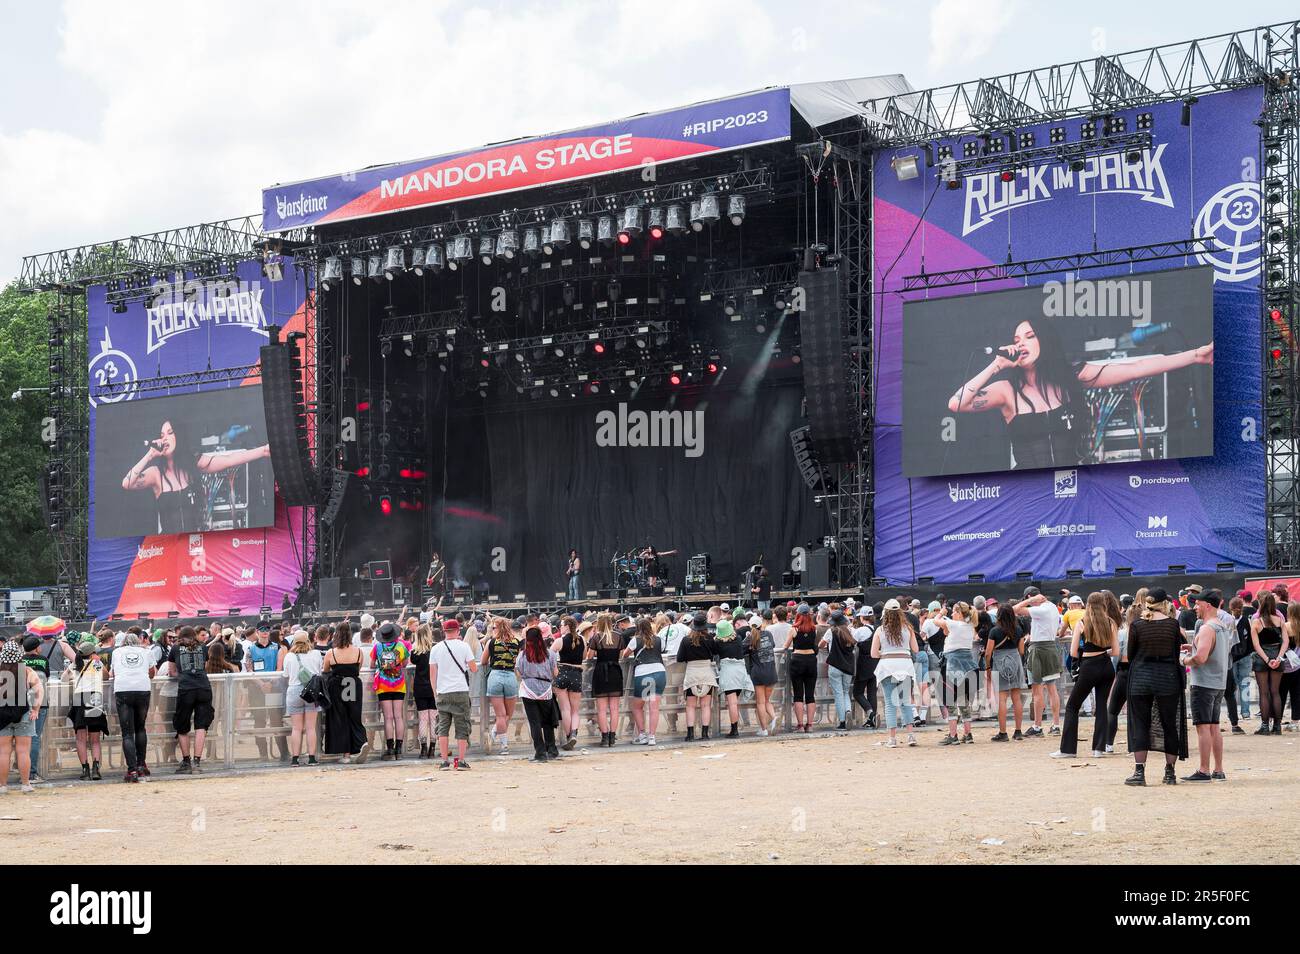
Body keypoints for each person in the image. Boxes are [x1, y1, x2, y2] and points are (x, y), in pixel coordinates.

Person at [947, 316, 1213, 469]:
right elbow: (956, 404)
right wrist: (997, 365)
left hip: (1073, 488)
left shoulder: (1072, 377)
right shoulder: (1007, 391)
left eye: (1029, 336)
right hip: (1027, 494)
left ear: (1045, 340)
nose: (1021, 344)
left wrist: (1195, 355)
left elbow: (1137, 368)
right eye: (1017, 340)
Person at [120, 418, 271, 533]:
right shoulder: (155, 473)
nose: (164, 438)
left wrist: (263, 451)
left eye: (170, 433)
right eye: (162, 435)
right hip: (169, 547)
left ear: (179, 436)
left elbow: (228, 460)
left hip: (194, 544)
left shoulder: (192, 464)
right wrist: (150, 455)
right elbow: (127, 483)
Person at [1124, 589, 1188, 786]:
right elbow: (1176, 650)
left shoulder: (1137, 626)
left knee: (1140, 723)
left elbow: (1131, 654)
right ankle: (1170, 773)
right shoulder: (1172, 625)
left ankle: (1139, 771)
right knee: (1170, 723)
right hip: (1167, 677)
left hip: (1141, 677)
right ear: (1165, 603)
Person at [1052, 594, 1118, 759]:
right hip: (1106, 665)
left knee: (1073, 706)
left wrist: (1088, 653)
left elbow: (1073, 652)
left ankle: (1068, 749)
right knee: (1102, 706)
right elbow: (1116, 652)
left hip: (1089, 666)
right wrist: (1102, 652)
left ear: (1087, 605)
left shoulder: (1082, 623)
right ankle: (1098, 748)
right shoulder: (1111, 623)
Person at [1183, 590, 1234, 781]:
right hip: (1218, 683)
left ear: (1207, 605)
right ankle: (1218, 769)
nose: (1195, 607)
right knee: (1214, 727)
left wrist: (1185, 660)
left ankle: (1204, 770)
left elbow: (1201, 658)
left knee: (1203, 727)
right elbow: (1213, 650)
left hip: (1203, 683)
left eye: (1197, 604)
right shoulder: (1221, 626)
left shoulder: (1206, 628)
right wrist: (1194, 647)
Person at [430, 618, 477, 770]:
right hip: (460, 690)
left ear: (444, 632)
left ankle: (444, 761)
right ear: (458, 631)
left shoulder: (436, 649)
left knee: (443, 726)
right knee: (462, 725)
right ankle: (461, 761)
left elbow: (433, 674)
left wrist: (435, 692)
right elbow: (474, 668)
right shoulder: (464, 646)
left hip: (443, 691)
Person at [1015, 587, 1062, 737]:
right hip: (1050, 645)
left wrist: (1029, 601)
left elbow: (1015, 609)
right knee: (1052, 688)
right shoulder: (1053, 607)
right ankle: (1055, 725)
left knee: (1037, 690)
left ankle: (1037, 726)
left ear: (1030, 596)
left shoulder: (1040, 609)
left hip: (1039, 648)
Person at [109, 632, 156, 783]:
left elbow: (113, 673)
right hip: (143, 689)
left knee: (127, 732)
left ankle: (132, 770)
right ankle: (141, 765)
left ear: (123, 642)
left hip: (123, 690)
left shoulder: (117, 652)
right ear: (138, 641)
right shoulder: (146, 651)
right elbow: (152, 673)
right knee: (140, 728)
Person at [0, 637, 45, 793]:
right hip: (23, 714)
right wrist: (36, 709)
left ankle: (2, 786)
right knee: (23, 751)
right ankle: (25, 784)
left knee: (3, 752)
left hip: (2, 715)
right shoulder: (26, 670)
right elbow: (39, 690)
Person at [870, 600, 918, 748]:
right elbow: (915, 649)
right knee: (905, 702)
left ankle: (892, 739)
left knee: (890, 704)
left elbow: (873, 654)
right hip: (905, 666)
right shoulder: (908, 628)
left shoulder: (880, 630)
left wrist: (885, 652)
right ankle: (910, 735)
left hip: (887, 667)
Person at [166, 626, 212, 775]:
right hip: (204, 687)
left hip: (186, 688)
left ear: (180, 636)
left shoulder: (175, 648)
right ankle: (197, 761)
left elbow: (172, 671)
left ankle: (186, 761)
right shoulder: (203, 647)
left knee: (182, 725)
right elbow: (205, 667)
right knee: (201, 726)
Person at [322, 621, 369, 764]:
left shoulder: (331, 653)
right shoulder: (358, 651)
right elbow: (358, 669)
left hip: (337, 686)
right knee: (354, 717)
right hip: (354, 684)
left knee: (340, 719)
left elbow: (325, 671)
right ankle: (361, 742)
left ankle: (346, 754)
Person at [937, 601, 980, 745]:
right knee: (963, 701)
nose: (952, 614)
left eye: (954, 611)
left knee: (950, 701)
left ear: (960, 613)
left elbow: (937, 622)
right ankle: (968, 734)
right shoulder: (970, 626)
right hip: (968, 665)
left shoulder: (955, 624)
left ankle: (953, 735)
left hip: (953, 664)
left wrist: (941, 613)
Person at [67, 637, 109, 780]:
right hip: (95, 697)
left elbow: (63, 679)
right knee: (95, 738)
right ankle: (96, 769)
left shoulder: (74, 664)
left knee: (80, 738)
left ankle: (85, 770)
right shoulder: (97, 662)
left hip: (79, 698)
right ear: (92, 653)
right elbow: (106, 676)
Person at [516, 626, 560, 762]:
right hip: (545, 689)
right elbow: (555, 672)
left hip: (528, 690)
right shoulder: (550, 654)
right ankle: (551, 749)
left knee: (534, 722)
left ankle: (540, 753)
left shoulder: (522, 655)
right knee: (547, 721)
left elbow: (518, 672)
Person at [984, 603, 1026, 741]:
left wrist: (988, 668)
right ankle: (1018, 731)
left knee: (1002, 699)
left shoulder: (994, 631)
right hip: (1015, 662)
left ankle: (1003, 732)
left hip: (999, 662)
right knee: (1016, 698)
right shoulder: (1019, 630)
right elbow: (1021, 651)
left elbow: (988, 653)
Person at [369, 621, 411, 760]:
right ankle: (399, 748)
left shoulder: (377, 646)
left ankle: (390, 749)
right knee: (398, 716)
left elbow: (372, 664)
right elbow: (405, 663)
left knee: (388, 717)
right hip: (399, 684)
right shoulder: (401, 646)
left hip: (383, 684)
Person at [1249, 591, 1289, 735]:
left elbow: (1256, 645)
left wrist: (1267, 660)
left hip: (1262, 659)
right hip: (1277, 656)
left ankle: (1265, 726)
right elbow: (1285, 641)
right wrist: (1278, 658)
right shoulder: (1280, 620)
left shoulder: (1256, 622)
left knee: (1264, 692)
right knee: (1275, 692)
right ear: (1273, 604)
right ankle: (1277, 726)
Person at [282, 630, 323, 767]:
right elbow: (319, 671)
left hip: (294, 691)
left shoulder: (289, 656)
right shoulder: (316, 654)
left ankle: (295, 759)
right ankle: (311, 758)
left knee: (296, 728)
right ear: (308, 640)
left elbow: (285, 674)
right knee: (311, 727)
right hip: (312, 691)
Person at [481, 616, 521, 755]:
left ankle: (500, 742)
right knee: (507, 715)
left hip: (495, 676)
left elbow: (483, 661)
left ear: (497, 629)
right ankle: (496, 737)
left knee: (500, 715)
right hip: (510, 676)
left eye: (493, 627)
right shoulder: (516, 642)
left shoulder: (491, 642)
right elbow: (519, 660)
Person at [624, 617, 666, 745]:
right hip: (659, 672)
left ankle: (642, 734)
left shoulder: (635, 640)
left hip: (643, 674)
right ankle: (652, 736)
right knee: (654, 707)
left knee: (637, 706)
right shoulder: (659, 639)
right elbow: (662, 650)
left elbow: (625, 654)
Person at [585, 613, 626, 747]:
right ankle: (612, 737)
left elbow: (589, 657)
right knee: (614, 709)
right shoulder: (618, 636)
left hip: (601, 672)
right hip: (615, 670)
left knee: (601, 709)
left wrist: (598, 653)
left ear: (599, 624)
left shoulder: (596, 637)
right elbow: (621, 655)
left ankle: (604, 737)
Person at [714, 616, 752, 738]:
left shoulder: (718, 643)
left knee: (732, 703)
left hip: (729, 673)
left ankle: (734, 730)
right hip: (740, 672)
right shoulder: (738, 639)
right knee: (734, 702)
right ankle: (735, 727)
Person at [784, 603, 819, 733]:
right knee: (810, 695)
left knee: (798, 695)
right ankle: (809, 725)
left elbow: (785, 646)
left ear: (797, 615)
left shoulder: (794, 629)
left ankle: (799, 725)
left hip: (797, 660)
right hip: (811, 660)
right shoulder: (813, 628)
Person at [822, 610, 857, 732]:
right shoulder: (851, 631)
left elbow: (821, 644)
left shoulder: (831, 631)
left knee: (838, 693)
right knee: (846, 691)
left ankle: (842, 721)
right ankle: (847, 711)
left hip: (835, 665)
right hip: (848, 666)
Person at [553, 617, 585, 750]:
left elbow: (549, 656)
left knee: (565, 708)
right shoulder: (582, 639)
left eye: (561, 625)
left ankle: (568, 736)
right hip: (576, 673)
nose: (560, 628)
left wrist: (554, 669)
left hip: (562, 672)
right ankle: (574, 733)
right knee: (575, 710)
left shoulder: (560, 640)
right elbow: (583, 656)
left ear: (566, 626)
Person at [746, 612, 778, 736]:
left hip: (758, 673)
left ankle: (764, 729)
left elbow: (742, 648)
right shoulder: (768, 634)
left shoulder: (750, 638)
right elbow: (773, 645)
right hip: (771, 671)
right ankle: (774, 717)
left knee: (760, 702)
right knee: (766, 700)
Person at [1225, 597, 1253, 734]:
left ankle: (1233, 713)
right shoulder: (1246, 620)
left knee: (1232, 687)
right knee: (1245, 684)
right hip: (1245, 656)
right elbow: (1250, 639)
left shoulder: (1226, 621)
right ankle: (1246, 712)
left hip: (1232, 657)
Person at [409, 624, 437, 759]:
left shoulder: (415, 652)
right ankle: (433, 748)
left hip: (420, 686)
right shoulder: (435, 649)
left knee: (423, 718)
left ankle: (423, 748)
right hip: (433, 687)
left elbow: (412, 662)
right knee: (433, 718)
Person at [852, 605, 878, 729]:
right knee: (872, 692)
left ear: (862, 617)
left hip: (864, 664)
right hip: (876, 663)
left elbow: (850, 642)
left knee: (857, 692)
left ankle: (870, 713)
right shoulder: (877, 629)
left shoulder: (860, 631)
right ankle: (872, 719)